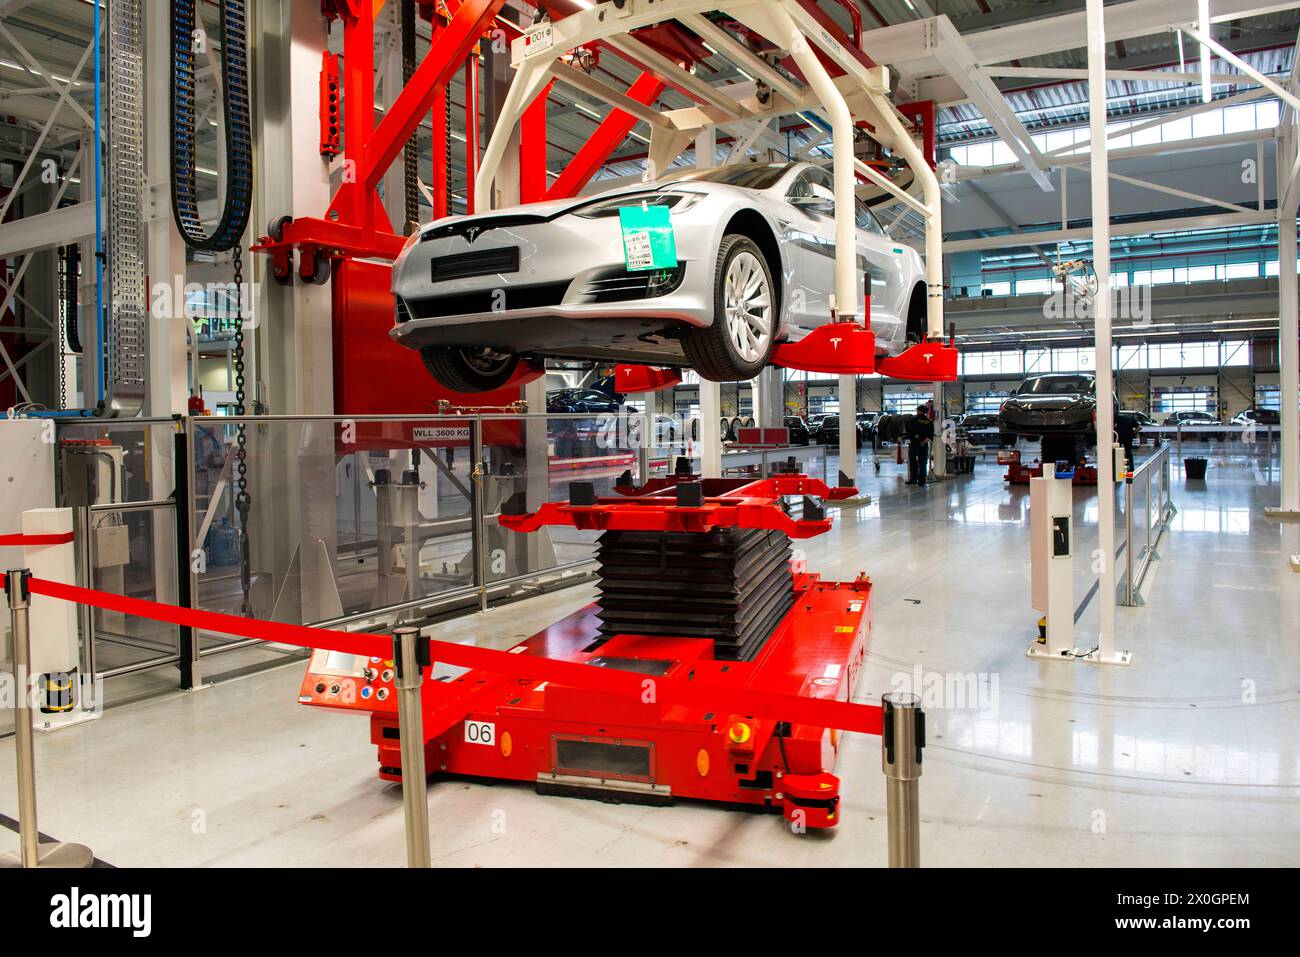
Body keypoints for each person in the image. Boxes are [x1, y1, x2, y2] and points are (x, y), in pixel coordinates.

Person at [906, 403, 932, 485]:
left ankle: (913, 480)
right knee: (923, 464)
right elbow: (930, 435)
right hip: (924, 445)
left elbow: (912, 433)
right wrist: (924, 441)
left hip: (914, 444)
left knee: (913, 463)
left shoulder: (913, 419)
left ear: (918, 411)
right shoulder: (929, 421)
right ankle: (921, 481)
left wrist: (920, 440)